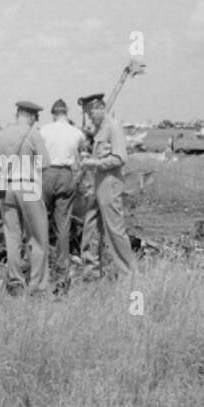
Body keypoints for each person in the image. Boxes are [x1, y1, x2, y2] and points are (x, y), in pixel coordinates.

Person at [0, 102, 51, 295]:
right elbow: (45, 163)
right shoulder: (32, 133)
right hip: (29, 187)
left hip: (7, 187)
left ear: (17, 113)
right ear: (32, 116)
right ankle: (38, 285)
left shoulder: (2, 134)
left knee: (12, 237)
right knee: (38, 238)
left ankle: (15, 282)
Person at [79, 95, 136, 280]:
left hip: (110, 183)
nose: (89, 117)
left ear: (100, 107)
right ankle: (91, 272)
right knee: (90, 227)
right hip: (97, 184)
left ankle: (129, 274)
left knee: (114, 230)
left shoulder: (113, 127)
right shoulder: (99, 129)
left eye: (90, 113)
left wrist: (94, 163)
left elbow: (119, 158)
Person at [38, 99, 84, 281]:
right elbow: (81, 154)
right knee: (63, 223)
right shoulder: (76, 133)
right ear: (67, 113)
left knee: (41, 219)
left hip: (47, 174)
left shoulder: (43, 131)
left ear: (52, 113)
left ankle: (40, 263)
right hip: (67, 175)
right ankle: (62, 267)